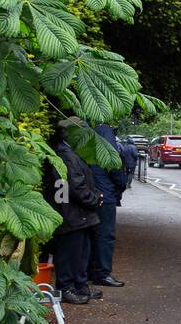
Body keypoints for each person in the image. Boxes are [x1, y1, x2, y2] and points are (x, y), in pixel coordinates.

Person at [42, 119, 103, 305]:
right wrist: (94, 199)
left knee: (80, 251)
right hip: (72, 212)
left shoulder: (67, 152)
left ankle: (79, 285)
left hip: (75, 212)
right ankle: (66, 287)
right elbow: (76, 186)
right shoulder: (67, 154)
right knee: (70, 252)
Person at [87, 122, 127, 289]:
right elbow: (115, 165)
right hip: (104, 192)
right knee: (105, 235)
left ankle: (89, 271)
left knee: (89, 234)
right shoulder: (104, 130)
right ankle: (102, 273)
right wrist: (120, 185)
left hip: (86, 192)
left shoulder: (85, 127)